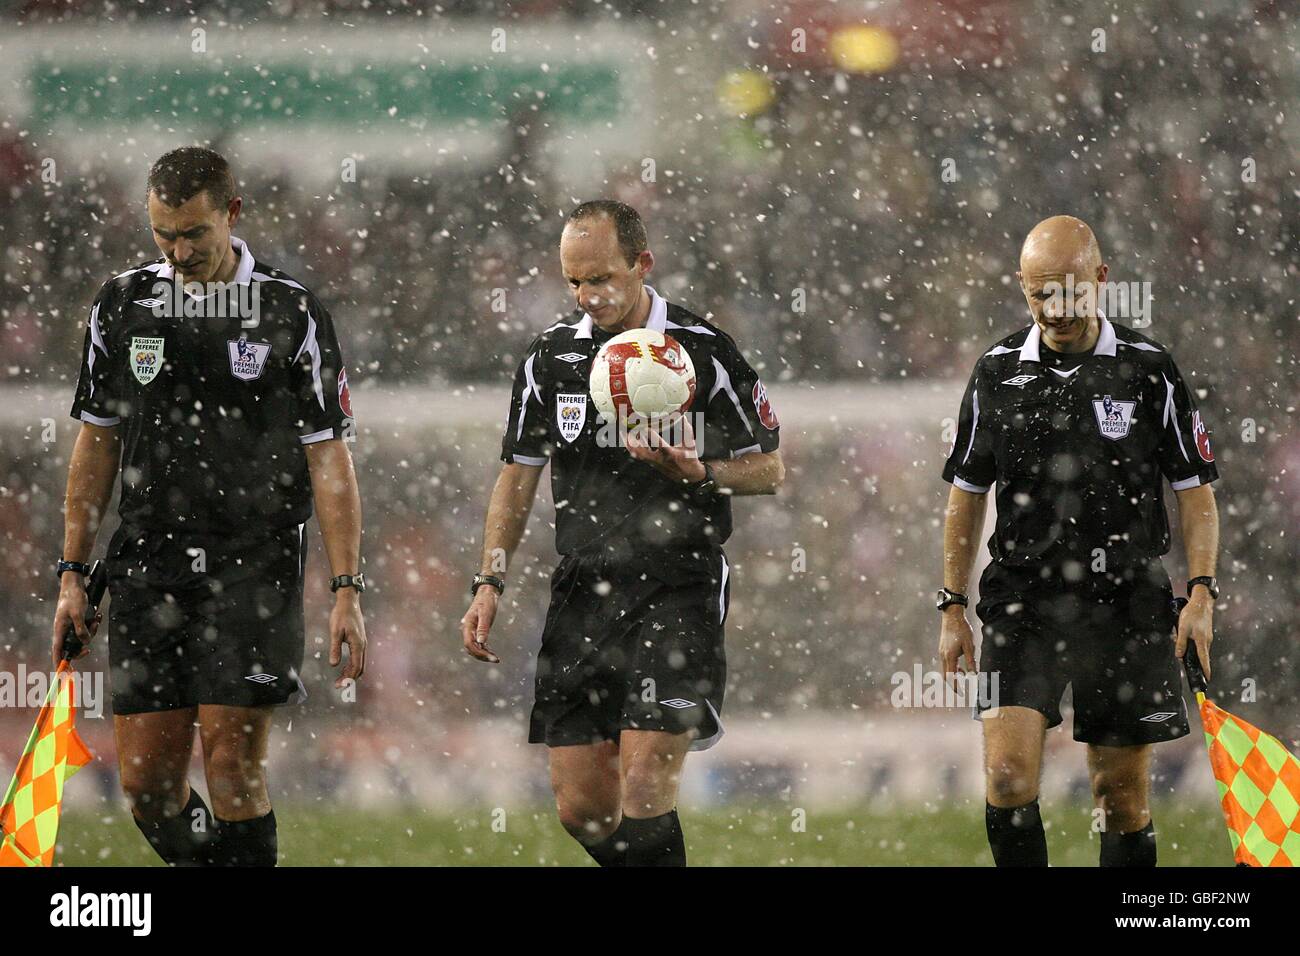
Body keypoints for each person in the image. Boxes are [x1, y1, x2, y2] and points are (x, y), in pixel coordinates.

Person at [52, 146, 367, 866]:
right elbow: (96, 443)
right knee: (150, 789)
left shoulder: (289, 310)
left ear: (232, 213)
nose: (178, 250)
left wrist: (347, 587)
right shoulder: (122, 304)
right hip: (147, 561)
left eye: (194, 232)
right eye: (163, 234)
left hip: (250, 564)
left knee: (231, 770)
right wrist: (72, 572)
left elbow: (330, 457)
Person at [461, 200, 784, 866]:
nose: (589, 296)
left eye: (602, 278)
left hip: (678, 585)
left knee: (643, 784)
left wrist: (702, 472)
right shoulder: (550, 359)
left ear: (643, 263)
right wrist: (490, 579)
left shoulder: (701, 350)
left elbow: (770, 468)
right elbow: (517, 478)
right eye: (574, 282)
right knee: (582, 809)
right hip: (583, 589)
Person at [938, 215, 1219, 867]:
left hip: (1126, 602)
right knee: (1008, 780)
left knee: (1119, 798)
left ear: (1101, 279)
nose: (1055, 308)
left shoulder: (1149, 370)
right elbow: (965, 495)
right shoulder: (996, 372)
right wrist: (952, 605)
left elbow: (1196, 492)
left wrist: (1201, 594)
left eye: (1069, 290)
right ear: (1020, 288)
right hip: (1023, 602)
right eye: (1040, 294)